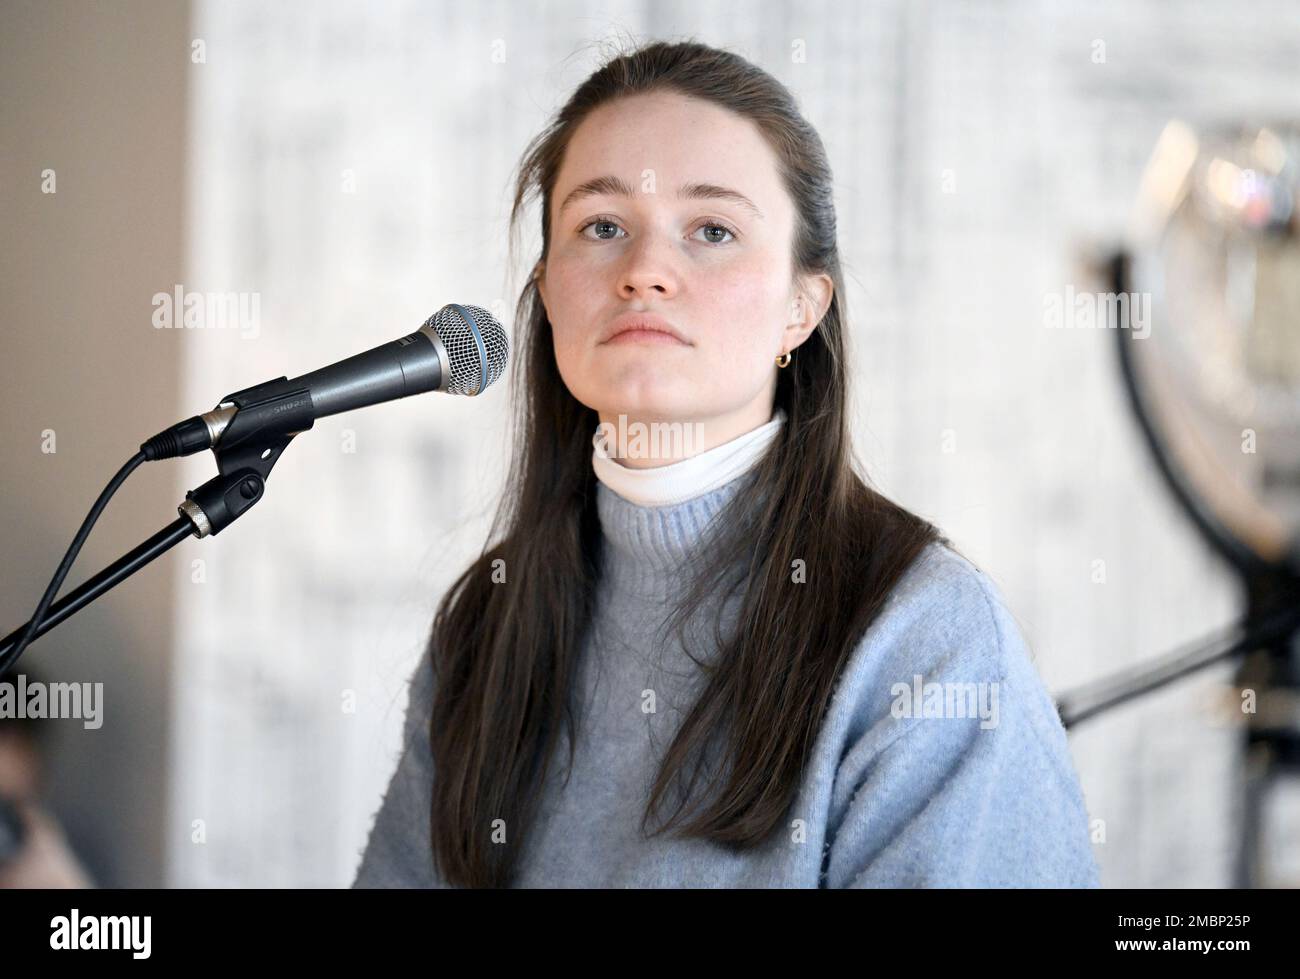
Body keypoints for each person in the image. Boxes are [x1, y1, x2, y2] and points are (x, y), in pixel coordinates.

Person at [353, 38, 1100, 888]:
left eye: (712, 229)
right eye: (602, 226)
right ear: (548, 291)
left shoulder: (926, 639)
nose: (644, 272)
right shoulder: (485, 628)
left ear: (801, 307)